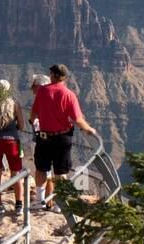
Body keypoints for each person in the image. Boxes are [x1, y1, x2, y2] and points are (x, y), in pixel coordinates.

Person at [30, 64, 98, 211]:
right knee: (61, 172)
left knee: (41, 169)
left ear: (53, 75)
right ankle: (60, 204)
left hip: (44, 137)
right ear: (65, 77)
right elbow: (78, 119)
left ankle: (39, 201)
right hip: (62, 139)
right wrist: (89, 129)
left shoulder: (42, 91)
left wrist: (36, 124)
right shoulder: (69, 95)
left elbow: (33, 114)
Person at [0, 80, 26, 215]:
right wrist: (13, 129)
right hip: (12, 142)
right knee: (16, 173)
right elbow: (22, 125)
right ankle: (19, 205)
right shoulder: (15, 104)